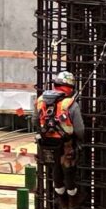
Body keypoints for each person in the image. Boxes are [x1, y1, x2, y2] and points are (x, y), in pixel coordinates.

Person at [37, 67, 86, 200]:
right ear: (71, 87)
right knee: (69, 169)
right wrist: (79, 141)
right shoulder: (70, 104)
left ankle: (61, 198)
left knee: (55, 168)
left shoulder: (41, 100)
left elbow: (34, 120)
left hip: (46, 143)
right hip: (65, 143)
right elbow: (80, 129)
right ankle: (73, 198)